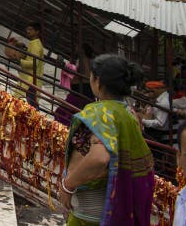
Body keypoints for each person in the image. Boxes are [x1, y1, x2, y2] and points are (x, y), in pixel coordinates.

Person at [60, 54, 154, 225]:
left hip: (89, 214)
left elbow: (99, 158)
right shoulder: (129, 113)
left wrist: (68, 185)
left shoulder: (99, 113)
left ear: (98, 81)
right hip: (117, 206)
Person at [7, 21, 44, 108]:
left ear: (37, 31)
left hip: (31, 81)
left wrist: (20, 61)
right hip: (28, 79)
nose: (28, 31)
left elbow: (34, 64)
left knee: (29, 106)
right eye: (27, 29)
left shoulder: (36, 45)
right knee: (26, 104)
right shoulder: (33, 43)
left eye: (30, 29)